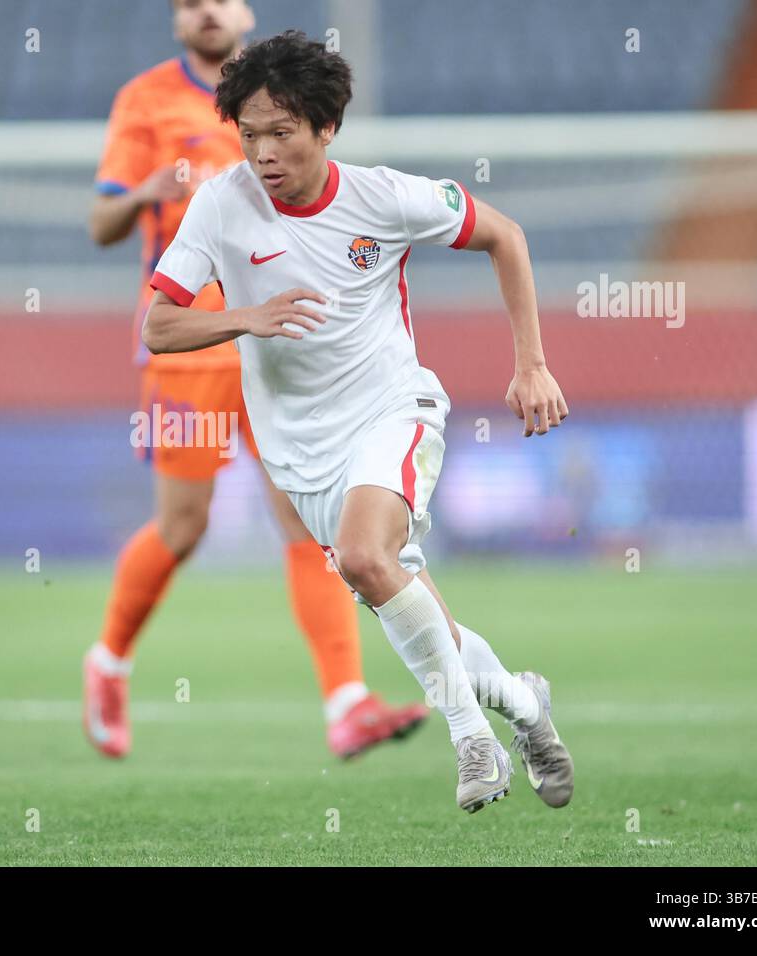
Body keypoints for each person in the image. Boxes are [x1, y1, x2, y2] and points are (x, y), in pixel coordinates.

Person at [142, 31, 575, 812]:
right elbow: (158, 327)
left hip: (392, 409)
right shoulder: (220, 204)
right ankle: (525, 704)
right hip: (300, 457)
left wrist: (532, 364)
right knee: (406, 598)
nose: (264, 153)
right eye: (249, 135)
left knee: (366, 555)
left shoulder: (384, 197)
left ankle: (472, 739)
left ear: (325, 127)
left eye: (281, 132)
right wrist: (249, 317)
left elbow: (504, 236)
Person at [85, 0, 427, 760]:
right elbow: (102, 224)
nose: (206, 10)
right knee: (185, 525)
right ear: (176, 20)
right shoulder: (145, 100)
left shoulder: (285, 99)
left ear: (244, 12)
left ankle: (347, 701)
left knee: (309, 526)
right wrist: (152, 193)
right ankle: (108, 661)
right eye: (188, 2)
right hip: (196, 348)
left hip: (284, 348)